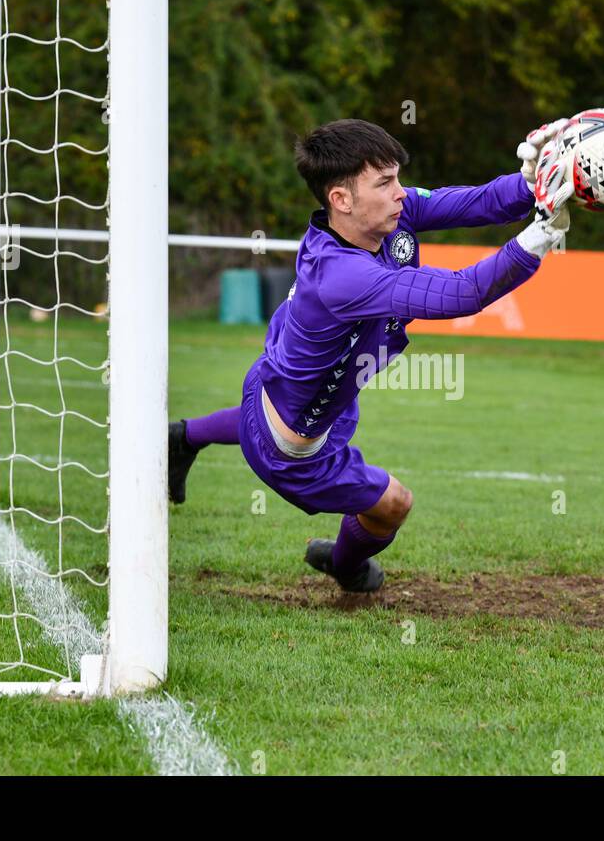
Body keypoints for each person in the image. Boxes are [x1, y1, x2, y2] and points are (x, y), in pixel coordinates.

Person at [169, 117, 574, 592]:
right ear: (340, 200)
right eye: (385, 183)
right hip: (294, 452)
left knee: (300, 397)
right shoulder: (343, 277)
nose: (401, 192)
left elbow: (474, 201)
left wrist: (529, 183)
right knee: (394, 505)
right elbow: (464, 291)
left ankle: (183, 437)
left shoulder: (375, 216)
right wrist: (540, 236)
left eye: (397, 177)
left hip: (284, 384)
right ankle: (346, 567)